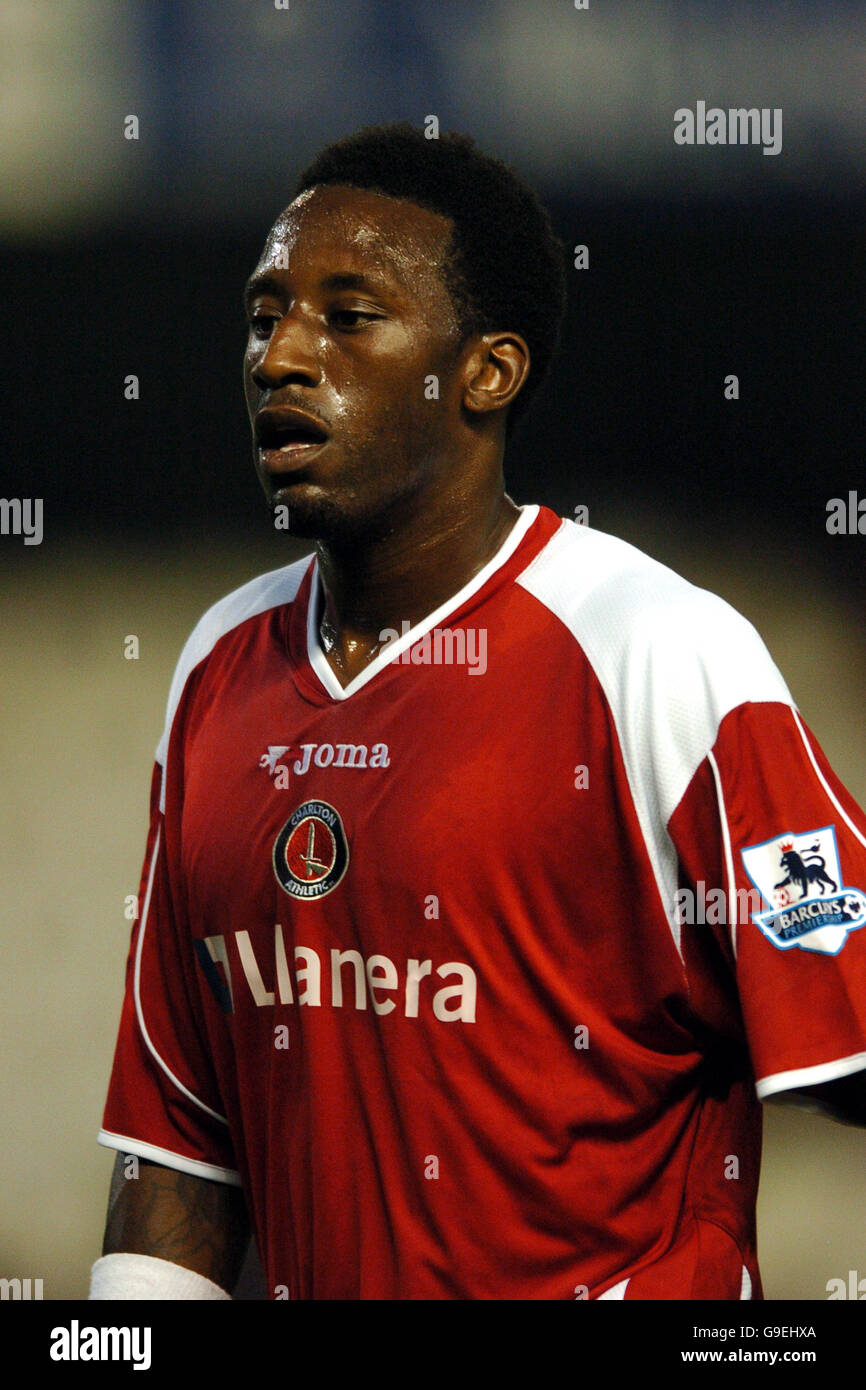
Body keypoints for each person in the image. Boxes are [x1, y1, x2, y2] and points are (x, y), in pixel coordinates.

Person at [91, 123, 866, 1301]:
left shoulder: (652, 648)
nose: (280, 357)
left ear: (487, 372)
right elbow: (179, 1161)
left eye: (346, 316)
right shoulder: (215, 667)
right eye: (264, 316)